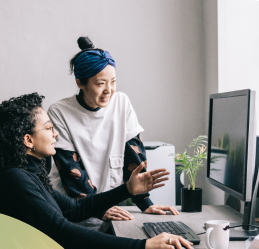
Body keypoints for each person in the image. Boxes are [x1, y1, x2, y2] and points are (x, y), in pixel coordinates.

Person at [0, 93, 194, 249]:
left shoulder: (30, 175)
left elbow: (75, 208)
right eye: (48, 128)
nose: (55, 134)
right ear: (28, 140)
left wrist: (127, 190)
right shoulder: (15, 180)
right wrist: (143, 246)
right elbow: (62, 232)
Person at [47, 37, 178, 230]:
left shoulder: (121, 102)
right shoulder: (59, 112)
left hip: (110, 209)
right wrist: (97, 209)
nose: (109, 90)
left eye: (113, 81)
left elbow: (134, 156)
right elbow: (70, 170)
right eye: (100, 83)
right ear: (80, 83)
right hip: (74, 211)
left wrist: (145, 204)